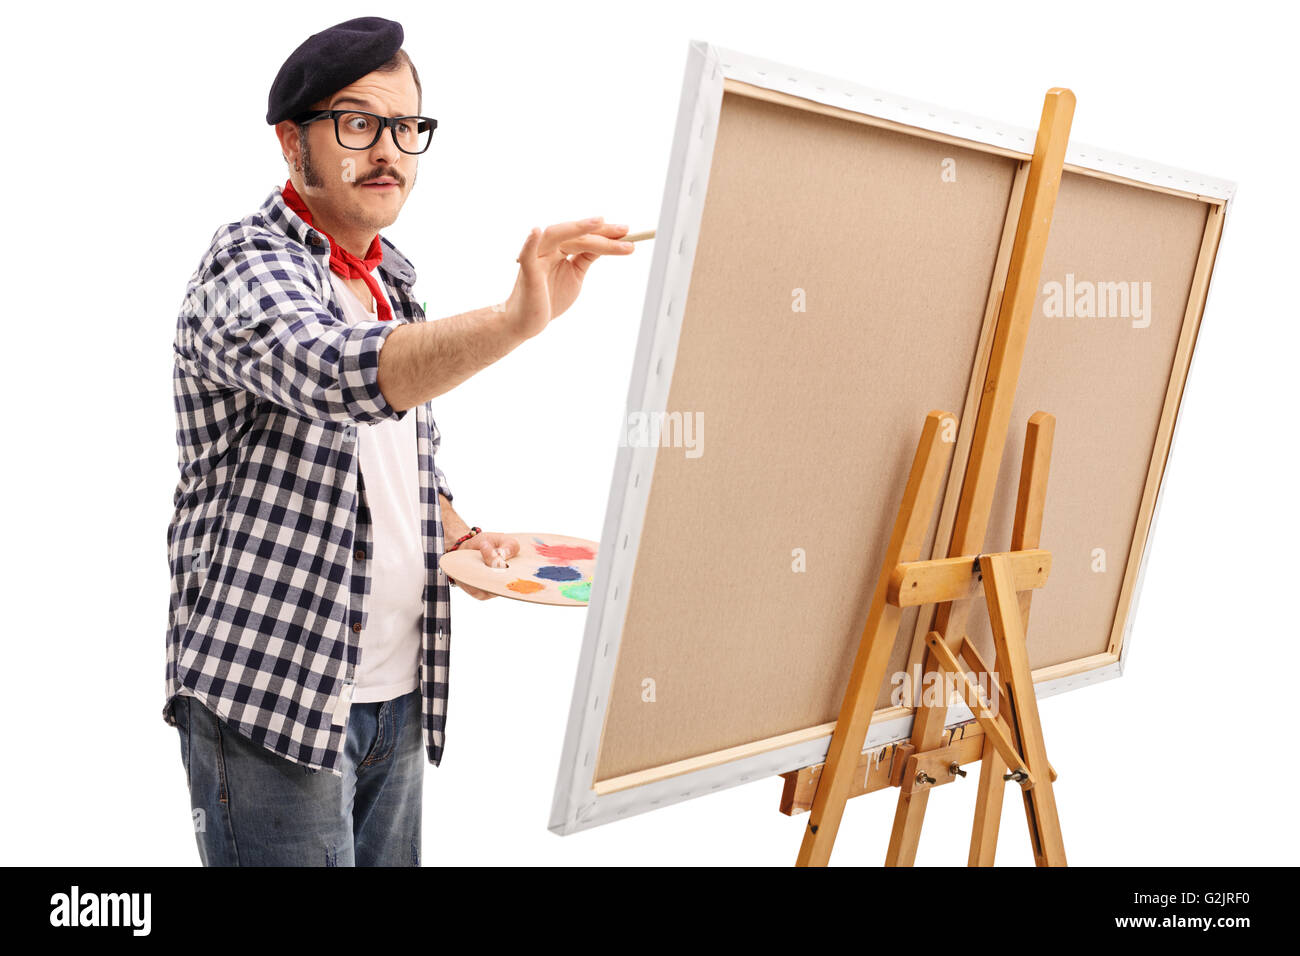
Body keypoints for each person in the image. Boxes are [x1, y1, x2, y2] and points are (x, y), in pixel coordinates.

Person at [164, 15, 633, 866]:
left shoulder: (394, 278)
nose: (389, 149)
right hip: (275, 694)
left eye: (407, 127)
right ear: (290, 142)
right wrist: (512, 322)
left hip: (398, 693)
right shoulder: (243, 268)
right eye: (357, 123)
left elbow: (401, 449)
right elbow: (336, 373)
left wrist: (457, 535)